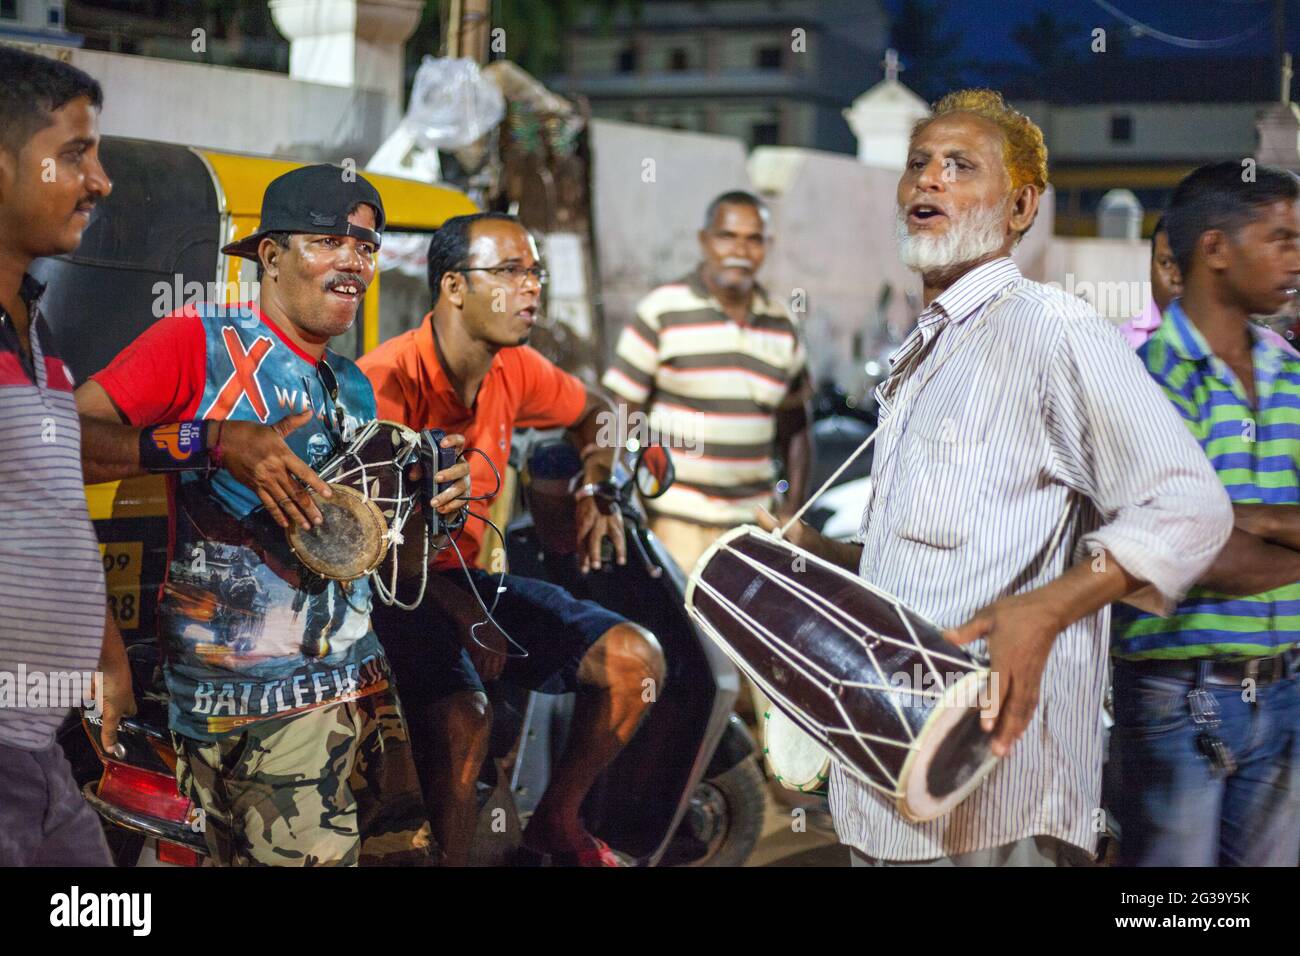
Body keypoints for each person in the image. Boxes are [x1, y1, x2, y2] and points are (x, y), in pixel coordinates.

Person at [761, 88, 1233, 866]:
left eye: (959, 166)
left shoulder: (1053, 332)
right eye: (918, 164)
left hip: (994, 802)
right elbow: (937, 555)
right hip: (890, 776)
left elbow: (1188, 506)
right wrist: (821, 553)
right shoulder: (923, 354)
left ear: (1020, 206)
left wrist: (1048, 609)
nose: (928, 181)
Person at [74, 164, 470, 866]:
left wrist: (428, 508)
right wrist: (211, 439)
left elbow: (369, 562)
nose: (355, 260)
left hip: (363, 694)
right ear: (270, 254)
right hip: (252, 713)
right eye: (330, 241)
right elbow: (64, 441)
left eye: (368, 247)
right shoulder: (198, 340)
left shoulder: (351, 384)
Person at [360, 212, 666, 867]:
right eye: (508, 271)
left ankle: (555, 823)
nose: (530, 288)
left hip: (463, 579)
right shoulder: (386, 383)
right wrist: (470, 617)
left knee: (632, 660)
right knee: (467, 715)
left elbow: (599, 412)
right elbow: (381, 549)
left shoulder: (515, 370)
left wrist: (598, 484)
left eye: (534, 272)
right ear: (453, 287)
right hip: (388, 592)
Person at [1112, 162, 1300, 866]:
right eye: (1279, 239)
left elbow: (1204, 533)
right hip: (1176, 698)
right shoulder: (1145, 380)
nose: (1297, 259)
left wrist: (1247, 518)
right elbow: (1182, 554)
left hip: (1284, 687)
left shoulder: (1289, 373)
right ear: (1216, 249)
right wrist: (1230, 528)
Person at [0, 46, 133, 867]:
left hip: (41, 750)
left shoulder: (37, 330)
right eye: (73, 154)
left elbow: (51, 510)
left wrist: (108, 659)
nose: (101, 181)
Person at [602, 190, 812, 574]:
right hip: (674, 524)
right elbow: (621, 416)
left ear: (767, 247)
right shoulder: (662, 311)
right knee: (679, 632)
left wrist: (792, 507)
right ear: (704, 241)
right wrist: (625, 502)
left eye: (753, 239)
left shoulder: (782, 325)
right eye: (727, 236)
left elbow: (796, 428)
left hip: (753, 528)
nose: (740, 250)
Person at [1117, 214, 1182, 348]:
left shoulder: (1228, 343)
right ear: (1150, 266)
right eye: (1166, 263)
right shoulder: (1121, 341)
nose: (1177, 278)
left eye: (1188, 264)